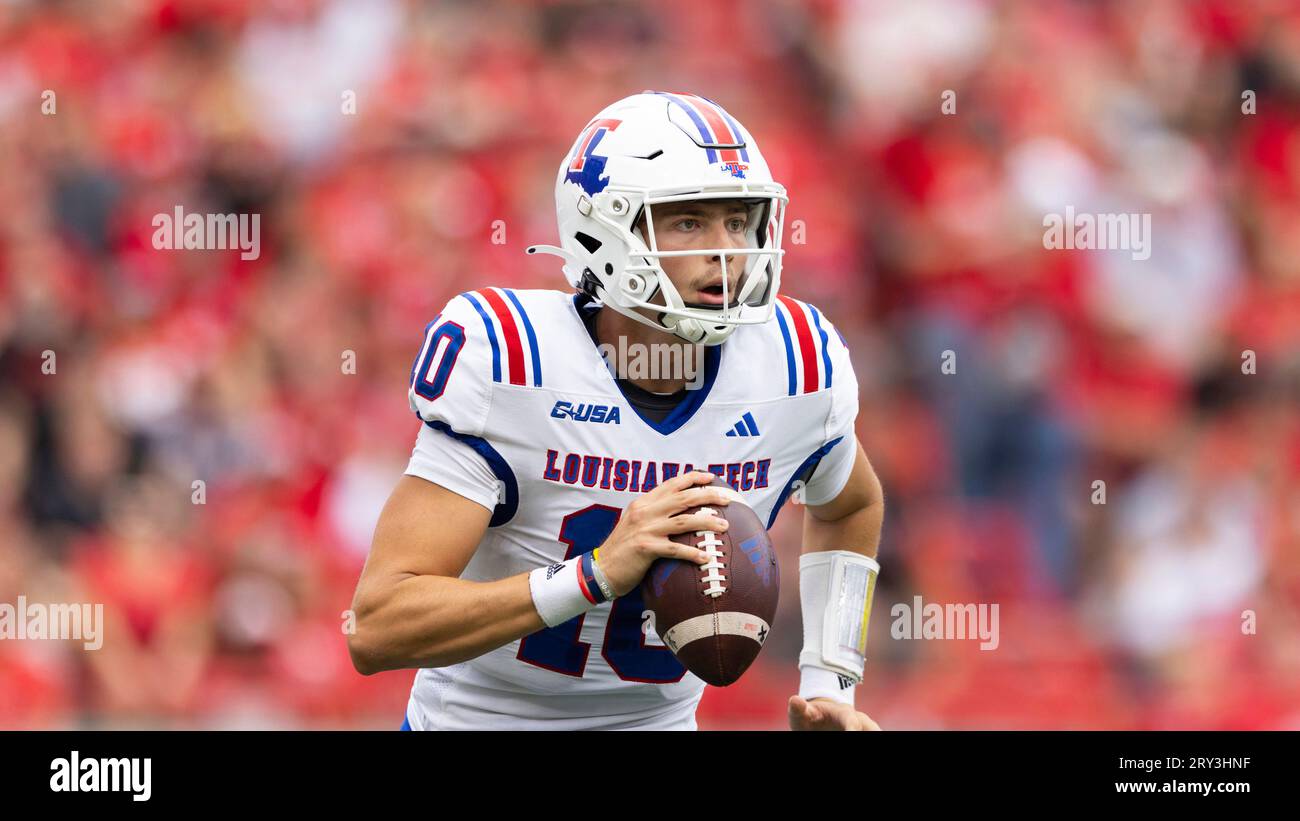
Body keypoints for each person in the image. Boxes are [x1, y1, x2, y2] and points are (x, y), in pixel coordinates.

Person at [347, 91, 884, 730]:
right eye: (689, 222)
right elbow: (377, 626)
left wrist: (831, 682)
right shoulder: (513, 363)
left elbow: (852, 504)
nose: (726, 252)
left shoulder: (792, 365)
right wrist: (592, 575)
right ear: (604, 232)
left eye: (738, 221)